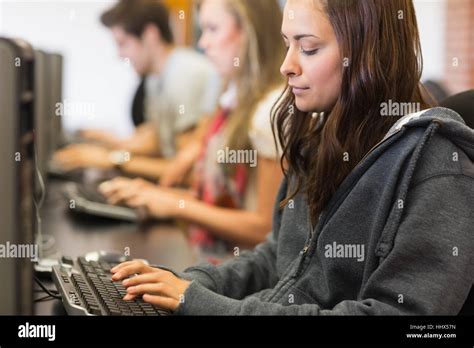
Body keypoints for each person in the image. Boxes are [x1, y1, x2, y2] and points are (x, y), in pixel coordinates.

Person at [109, 0, 474, 315]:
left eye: (309, 48)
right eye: (287, 45)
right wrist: (186, 283)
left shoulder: (439, 167)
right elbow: (281, 260)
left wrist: (204, 304)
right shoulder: (321, 139)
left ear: (366, 51)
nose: (287, 66)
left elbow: (398, 316)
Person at [100, 0, 286, 254]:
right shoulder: (232, 100)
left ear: (249, 31)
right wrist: (155, 194)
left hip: (244, 276)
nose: (202, 43)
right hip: (221, 262)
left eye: (212, 29)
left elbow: (266, 229)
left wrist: (176, 204)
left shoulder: (269, 111)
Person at [54, 0, 219, 176]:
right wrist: (112, 143)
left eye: (123, 43)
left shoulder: (185, 74)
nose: (119, 54)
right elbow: (158, 138)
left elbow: (185, 170)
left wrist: (112, 159)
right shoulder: (155, 77)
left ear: (150, 35)